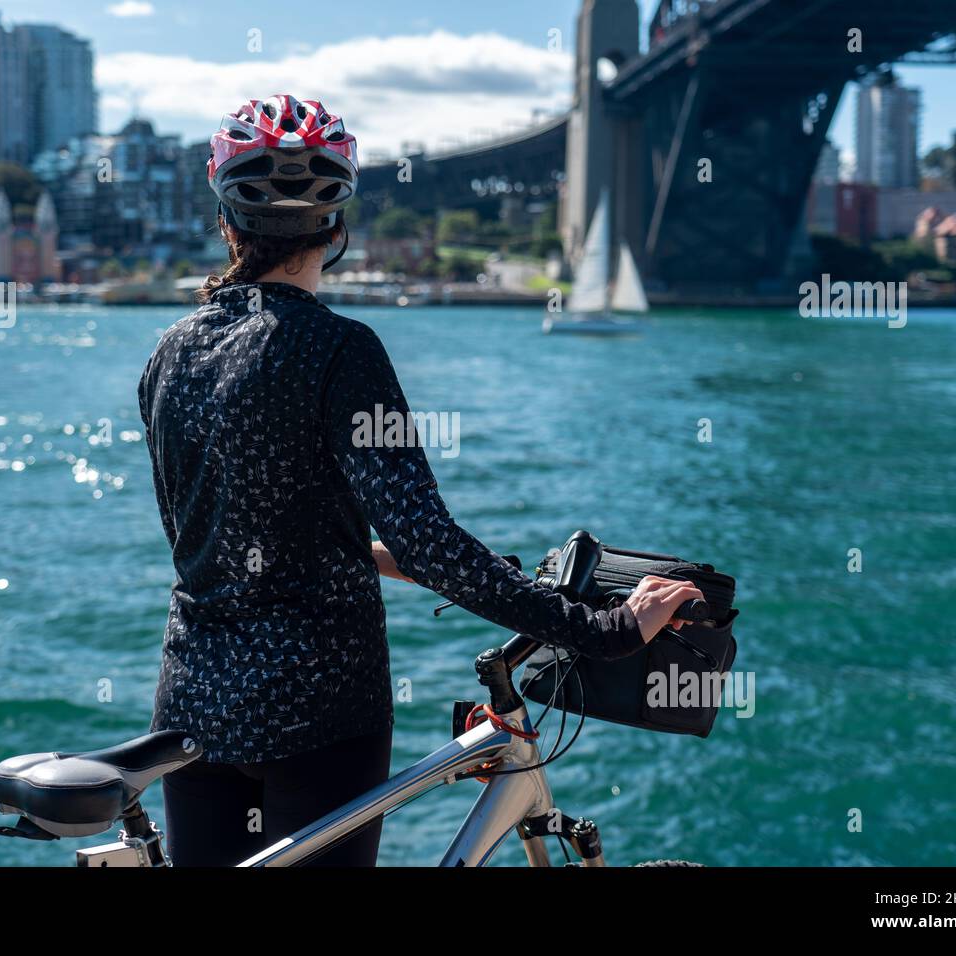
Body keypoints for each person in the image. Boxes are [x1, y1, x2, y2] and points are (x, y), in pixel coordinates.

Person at [139, 94, 704, 867]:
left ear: (224, 219)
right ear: (337, 227)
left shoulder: (170, 351)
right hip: (318, 711)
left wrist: (358, 554)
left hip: (195, 703)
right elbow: (429, 543)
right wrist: (603, 632)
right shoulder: (342, 350)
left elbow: (214, 535)